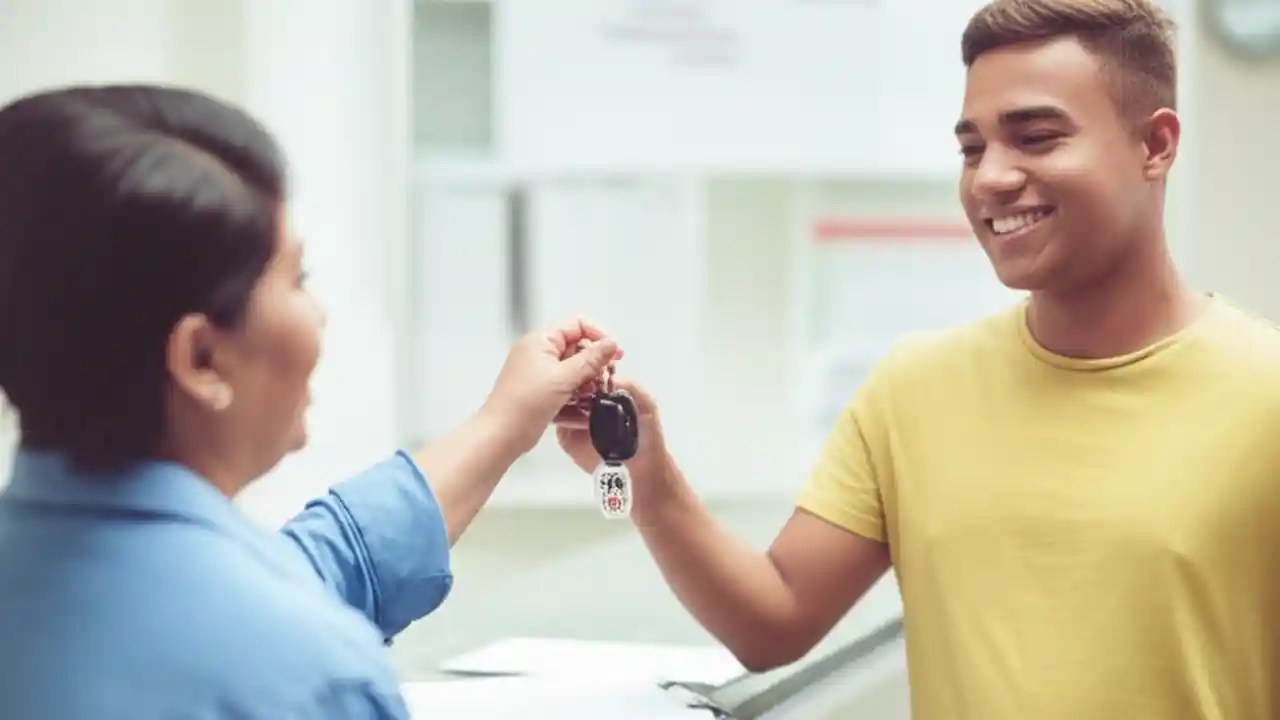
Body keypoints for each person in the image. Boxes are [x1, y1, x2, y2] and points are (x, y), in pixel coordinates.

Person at [558, 1, 1280, 717]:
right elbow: (770, 623)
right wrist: (645, 475)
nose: (991, 178)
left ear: (1155, 145)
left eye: (1036, 138)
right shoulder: (915, 389)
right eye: (972, 149)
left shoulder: (1265, 395)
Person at [0, 85, 619, 719]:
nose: (318, 315)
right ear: (202, 359)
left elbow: (299, 572)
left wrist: (503, 424)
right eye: (298, 279)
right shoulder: (312, 678)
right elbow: (269, 621)